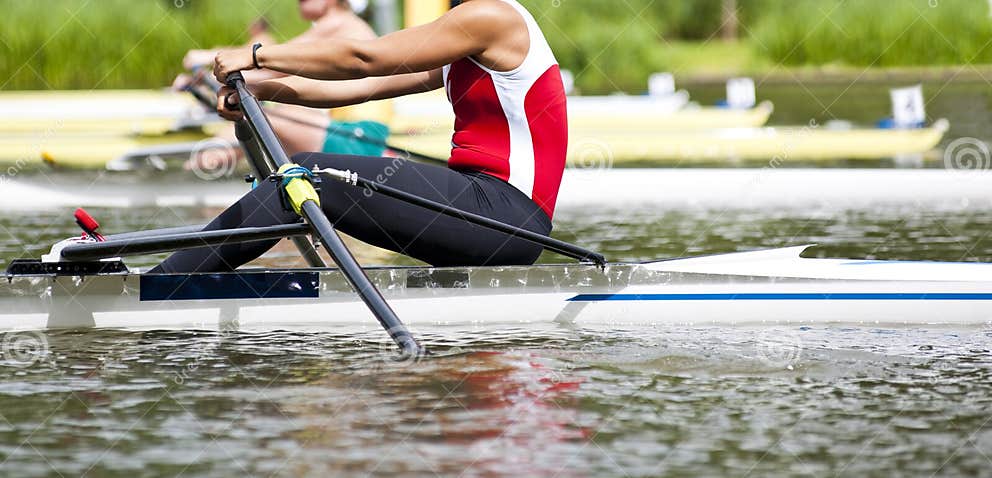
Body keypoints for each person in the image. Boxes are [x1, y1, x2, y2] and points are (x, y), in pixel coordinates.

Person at [153, 0, 567, 273]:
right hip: (486, 212)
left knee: (307, 177)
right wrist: (262, 90)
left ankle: (163, 281)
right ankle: (181, 272)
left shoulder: (491, 16)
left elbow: (365, 58)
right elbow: (359, 87)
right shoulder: (463, 38)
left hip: (504, 214)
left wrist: (257, 55)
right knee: (303, 178)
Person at [177, 0, 389, 173]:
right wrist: (211, 78)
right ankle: (205, 168)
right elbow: (272, 71)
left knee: (256, 117)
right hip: (351, 134)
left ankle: (194, 171)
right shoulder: (337, 25)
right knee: (266, 114)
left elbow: (277, 59)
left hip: (359, 139)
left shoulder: (339, 23)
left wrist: (208, 57)